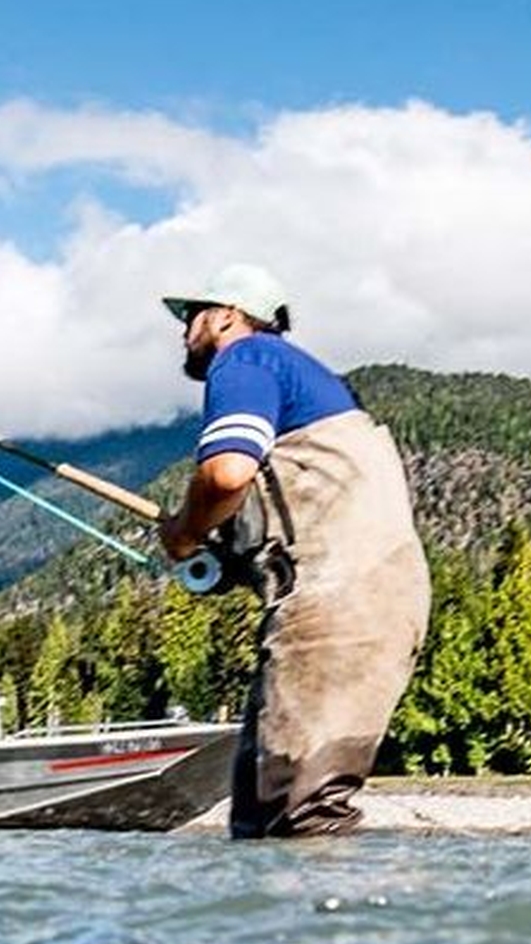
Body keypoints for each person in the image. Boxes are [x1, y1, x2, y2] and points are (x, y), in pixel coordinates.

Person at [156, 263, 429, 837]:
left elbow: (228, 474)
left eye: (191, 315)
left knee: (298, 813)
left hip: (340, 602)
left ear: (227, 315)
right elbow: (280, 507)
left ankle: (330, 928)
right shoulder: (308, 381)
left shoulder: (246, 359)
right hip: (367, 598)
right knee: (262, 814)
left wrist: (183, 532)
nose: (184, 331)